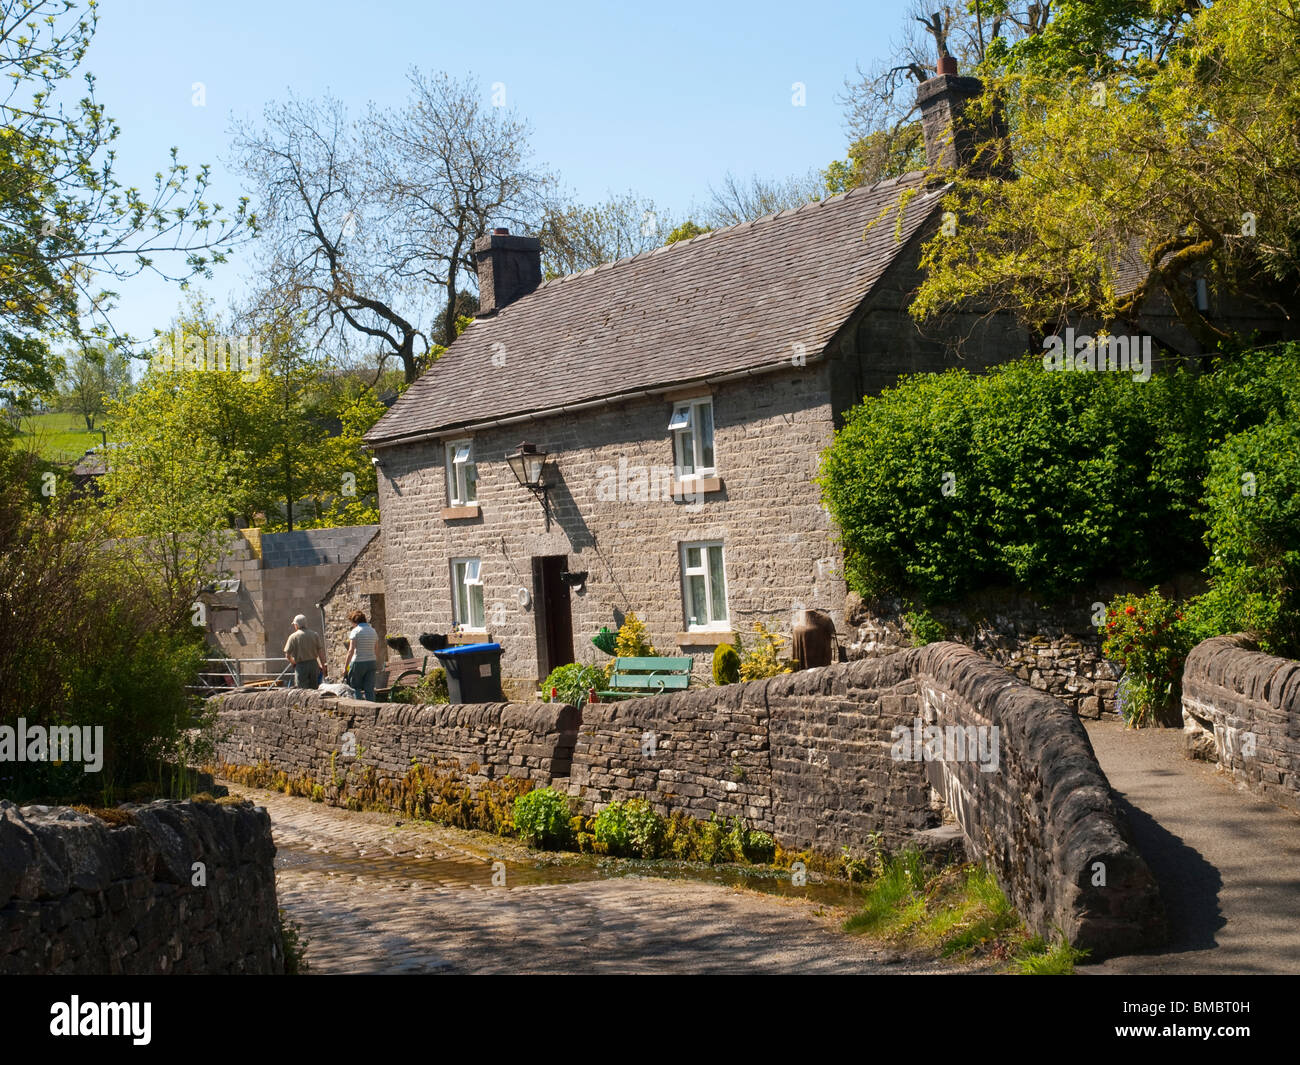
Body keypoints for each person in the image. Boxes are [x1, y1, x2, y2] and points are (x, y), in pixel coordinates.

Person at [284, 615, 327, 689]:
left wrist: (293, 662)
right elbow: (320, 653)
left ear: (296, 625)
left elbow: (287, 655)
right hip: (314, 665)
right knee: (314, 688)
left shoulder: (293, 637)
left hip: (301, 666)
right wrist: (323, 667)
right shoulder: (314, 635)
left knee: (302, 690)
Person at [344, 609, 379, 701]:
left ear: (355, 621)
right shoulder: (373, 631)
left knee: (355, 688)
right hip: (371, 661)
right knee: (370, 689)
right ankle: (372, 709)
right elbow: (376, 649)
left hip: (358, 662)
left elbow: (351, 650)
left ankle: (359, 709)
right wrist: (376, 661)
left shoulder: (355, 631)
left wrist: (345, 667)